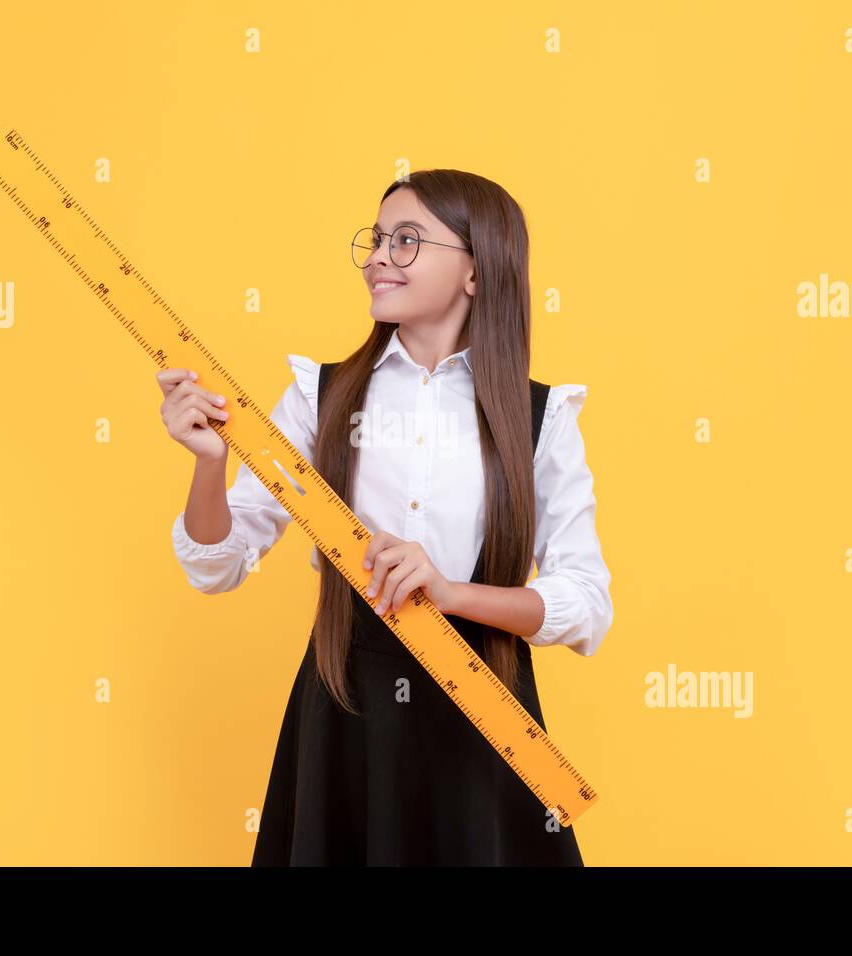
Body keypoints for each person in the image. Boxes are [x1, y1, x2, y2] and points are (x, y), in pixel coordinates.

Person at [157, 169, 613, 865]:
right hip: (346, 717)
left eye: (407, 241)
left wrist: (452, 594)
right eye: (376, 240)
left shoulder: (541, 419)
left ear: (475, 270)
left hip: (484, 729)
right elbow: (216, 565)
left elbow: (586, 605)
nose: (376, 258)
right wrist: (210, 464)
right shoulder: (321, 396)